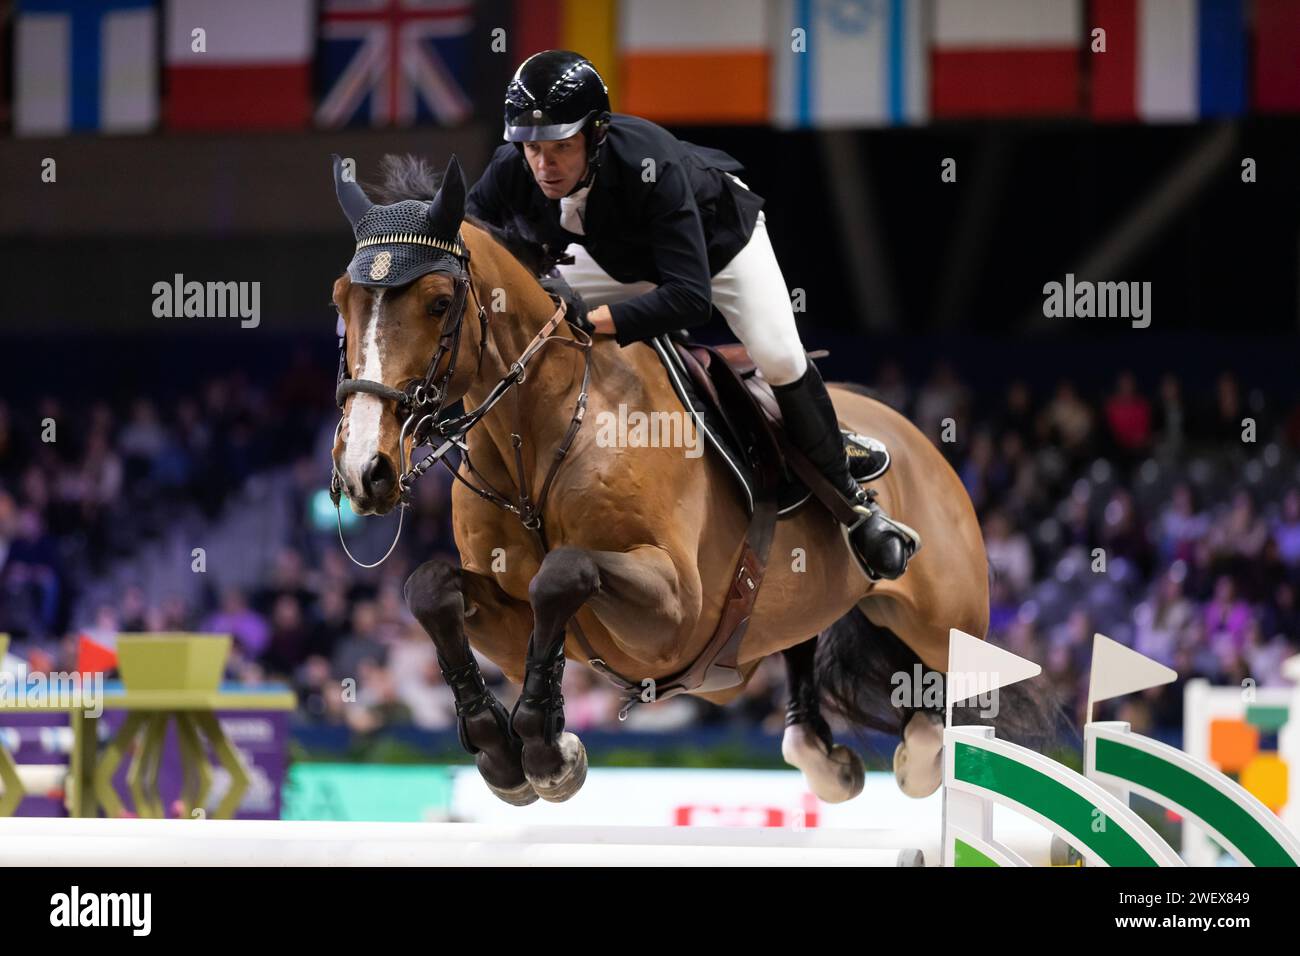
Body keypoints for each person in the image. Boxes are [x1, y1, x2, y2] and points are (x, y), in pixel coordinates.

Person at [465, 50, 918, 581]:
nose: (544, 166)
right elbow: (465, 242)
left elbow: (689, 298)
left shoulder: (650, 165)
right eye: (533, 149)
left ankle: (856, 505)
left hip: (719, 248)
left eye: (561, 148)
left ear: (597, 134)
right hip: (618, 256)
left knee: (779, 354)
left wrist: (591, 321)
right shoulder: (514, 167)